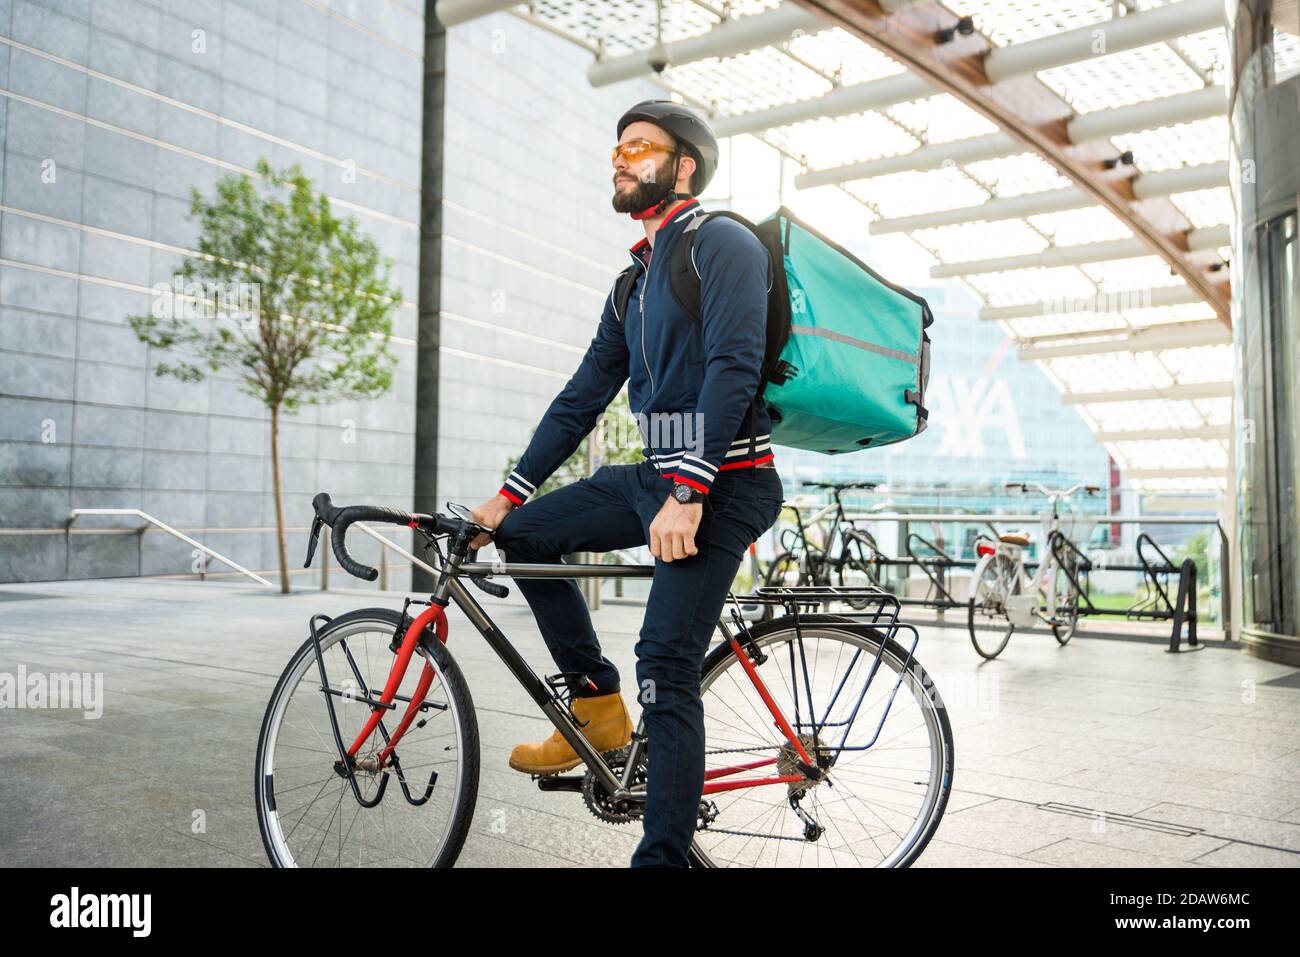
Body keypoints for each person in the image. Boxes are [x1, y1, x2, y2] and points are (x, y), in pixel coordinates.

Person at [470, 99, 784, 867]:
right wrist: (506, 495)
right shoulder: (630, 285)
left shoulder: (725, 244)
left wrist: (691, 489)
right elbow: (583, 395)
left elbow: (734, 367)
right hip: (656, 477)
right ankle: (597, 705)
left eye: (640, 147)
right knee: (525, 535)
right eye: (616, 148)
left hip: (729, 479)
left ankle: (663, 859)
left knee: (667, 662)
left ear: (684, 167)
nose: (621, 157)